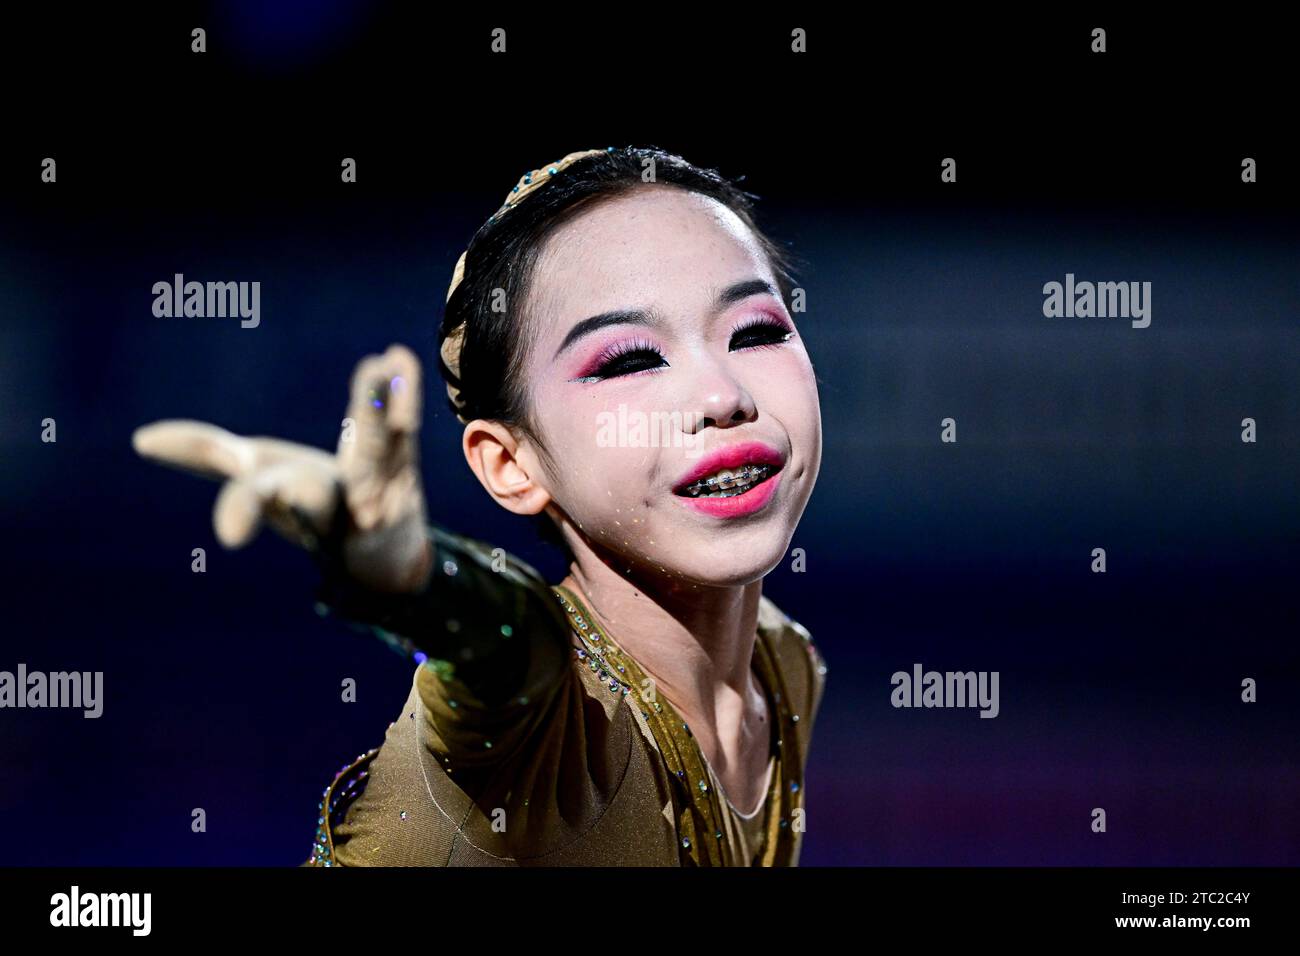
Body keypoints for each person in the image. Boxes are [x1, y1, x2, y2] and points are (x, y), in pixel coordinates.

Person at [132, 145, 827, 866]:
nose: (723, 397)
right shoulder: (537, 717)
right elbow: (501, 651)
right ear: (510, 463)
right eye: (629, 359)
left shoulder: (785, 666)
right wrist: (416, 585)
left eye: (756, 331)